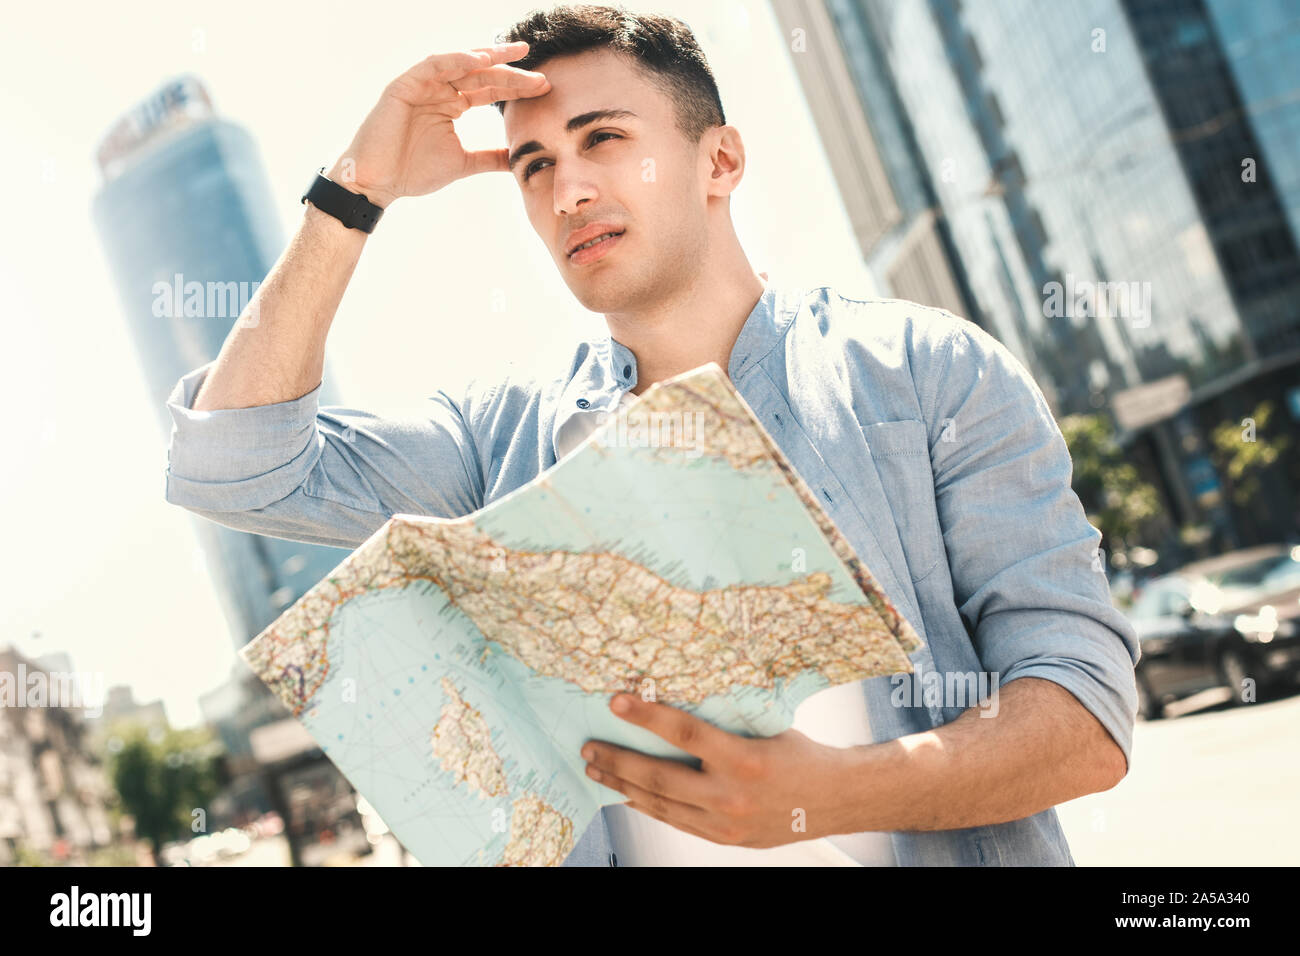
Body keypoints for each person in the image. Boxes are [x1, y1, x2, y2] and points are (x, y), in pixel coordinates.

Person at [163, 4, 1139, 866]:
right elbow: (234, 465)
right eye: (535, 164)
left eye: (602, 139)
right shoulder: (496, 441)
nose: (566, 190)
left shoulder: (928, 371)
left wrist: (824, 792)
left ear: (718, 159)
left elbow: (1083, 713)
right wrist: (355, 187)